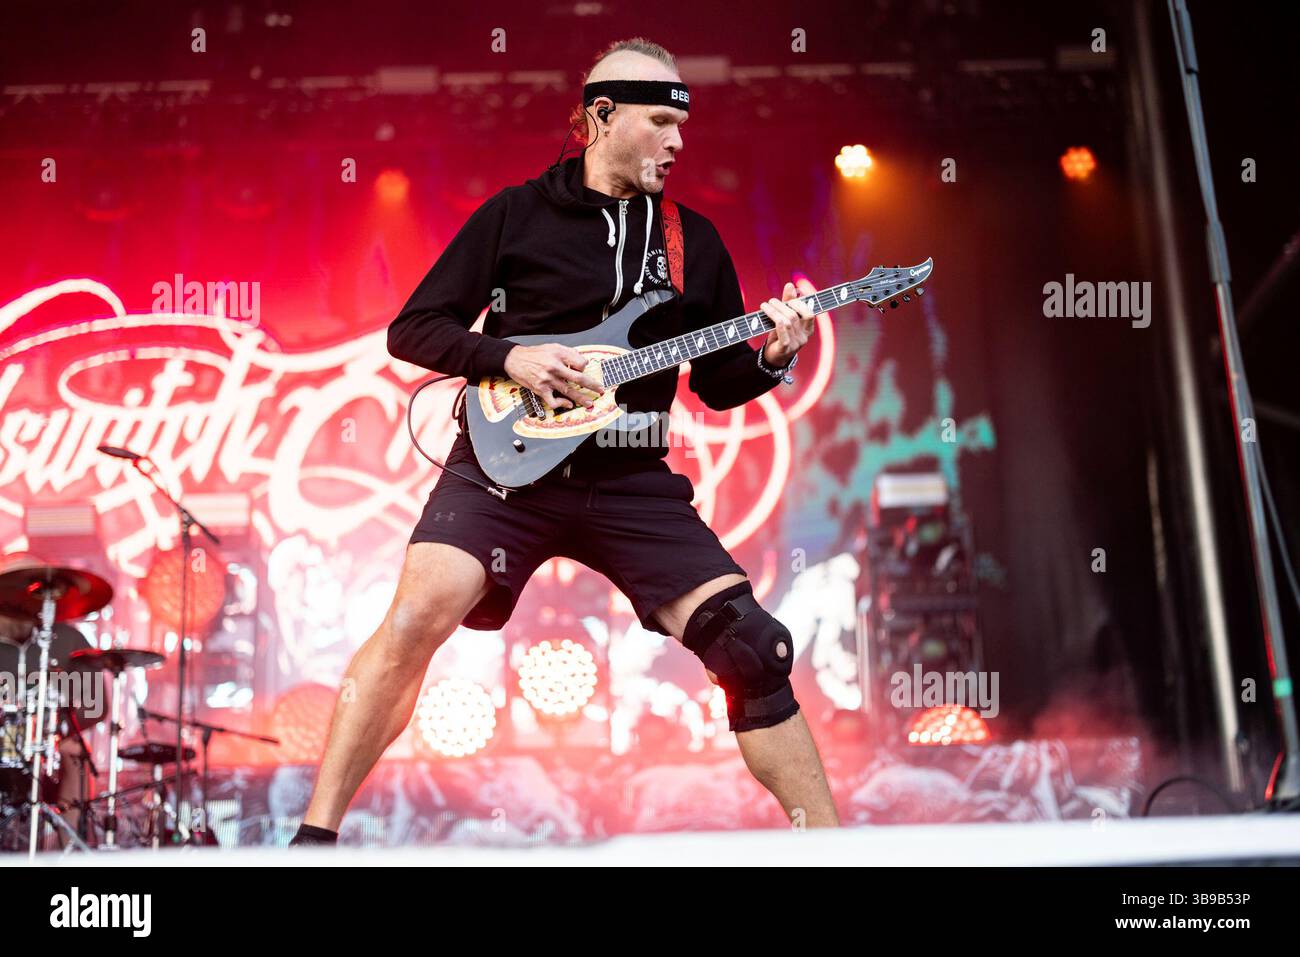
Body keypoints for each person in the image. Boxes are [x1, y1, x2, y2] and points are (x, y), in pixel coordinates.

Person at [291, 37, 837, 846]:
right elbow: (415, 329)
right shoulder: (515, 215)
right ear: (600, 118)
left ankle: (838, 852)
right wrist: (508, 353)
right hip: (504, 471)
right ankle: (313, 843)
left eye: (683, 124)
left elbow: (719, 384)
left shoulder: (694, 241)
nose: (678, 141)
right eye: (658, 121)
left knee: (755, 644)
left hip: (629, 479)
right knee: (414, 618)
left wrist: (773, 357)